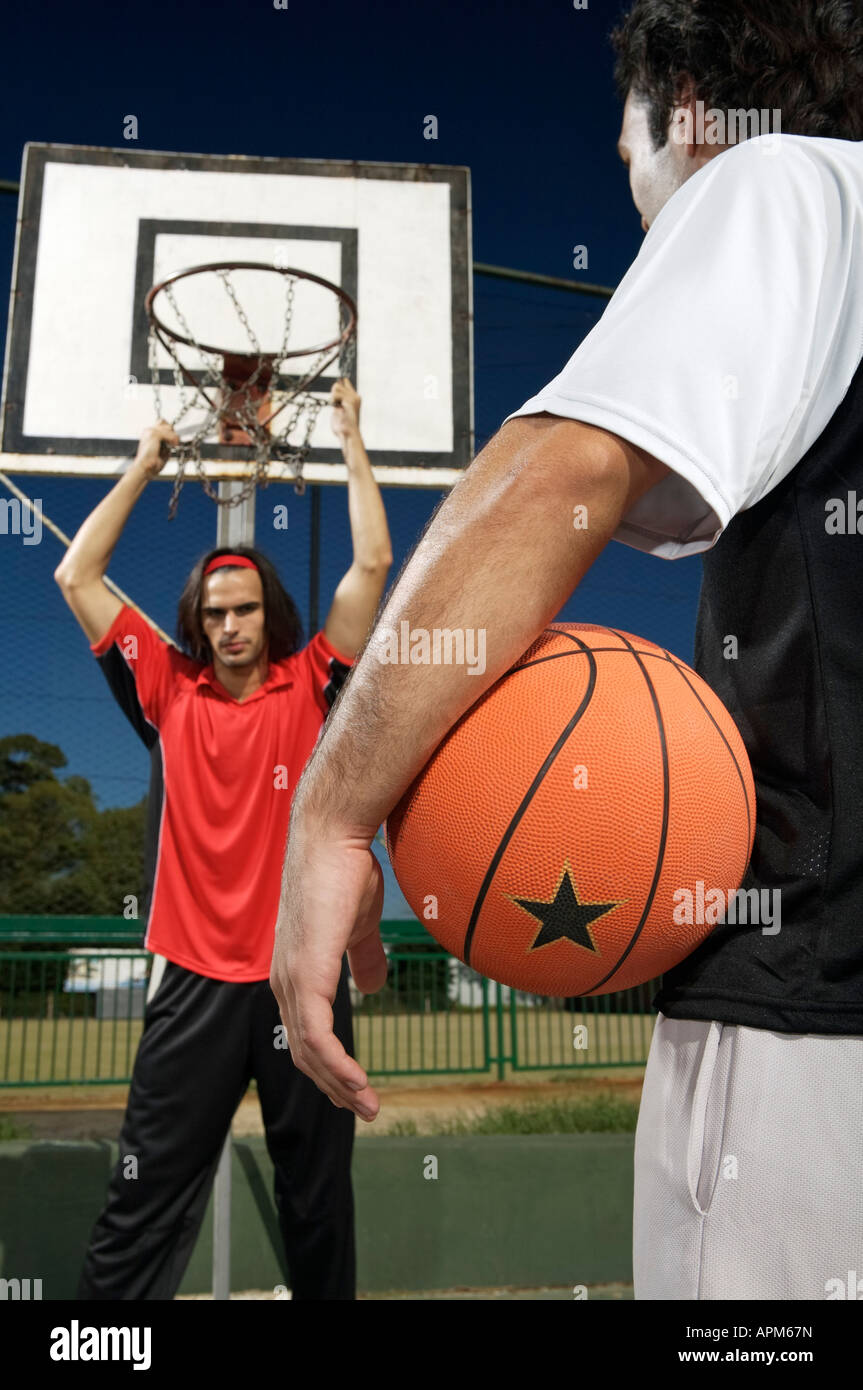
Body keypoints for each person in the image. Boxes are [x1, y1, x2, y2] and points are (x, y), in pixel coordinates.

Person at [269, 0, 863, 1302]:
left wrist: (329, 814)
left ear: (691, 111)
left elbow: (558, 481)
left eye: (625, 149)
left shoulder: (782, 180)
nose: (634, 183)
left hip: (816, 1029)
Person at [55, 379, 392, 1300]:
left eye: (242, 608)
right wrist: (142, 466)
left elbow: (370, 565)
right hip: (196, 984)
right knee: (149, 1194)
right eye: (213, 613)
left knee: (318, 1200)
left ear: (266, 612)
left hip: (298, 982)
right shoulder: (167, 691)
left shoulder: (315, 683)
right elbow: (75, 575)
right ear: (196, 625)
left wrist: (351, 442)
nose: (229, 625)